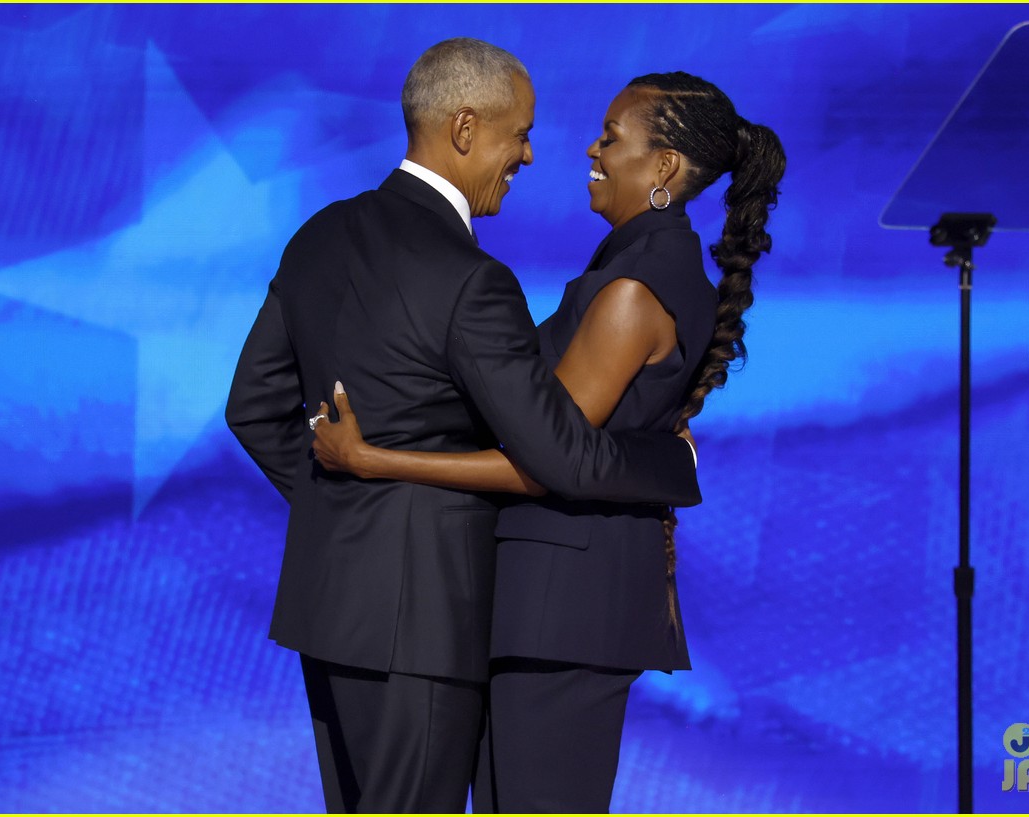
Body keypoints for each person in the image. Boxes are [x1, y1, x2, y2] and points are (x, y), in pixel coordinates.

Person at [225, 40, 702, 814]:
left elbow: (251, 404)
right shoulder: (473, 282)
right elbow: (560, 454)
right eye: (519, 134)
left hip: (327, 605)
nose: (529, 153)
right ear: (466, 127)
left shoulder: (319, 236)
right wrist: (670, 465)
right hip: (425, 620)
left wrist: (345, 505)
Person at [311, 71, 785, 812]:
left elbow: (544, 458)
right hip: (552, 611)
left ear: (663, 167)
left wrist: (372, 459)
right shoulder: (629, 270)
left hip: (565, 616)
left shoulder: (633, 290)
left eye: (612, 137)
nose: (591, 149)